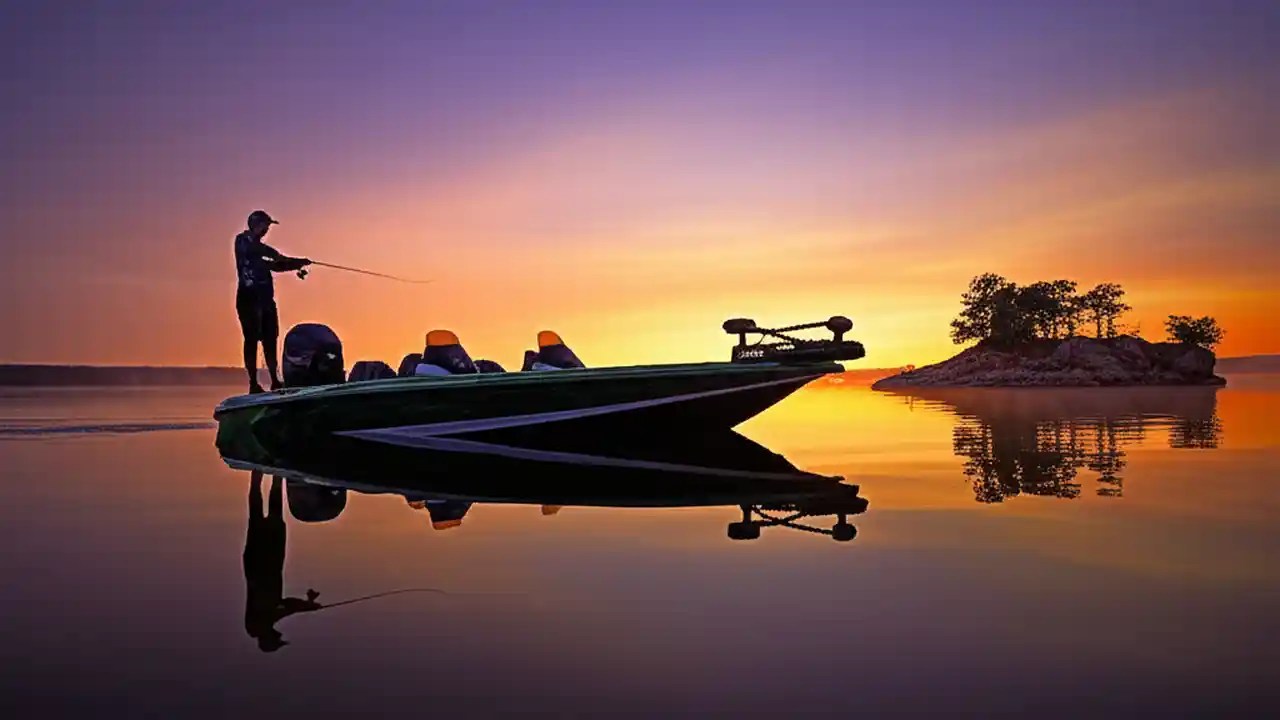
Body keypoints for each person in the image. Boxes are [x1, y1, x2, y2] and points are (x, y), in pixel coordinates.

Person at [243, 471, 323, 652]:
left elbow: (283, 609)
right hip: (271, 560)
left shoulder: (254, 627)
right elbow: (286, 606)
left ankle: (258, 470)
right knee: (274, 513)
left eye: (275, 638)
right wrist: (307, 605)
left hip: (258, 562)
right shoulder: (270, 616)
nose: (278, 634)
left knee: (258, 513)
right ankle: (275, 473)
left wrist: (305, 607)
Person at [234, 210, 311, 393]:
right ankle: (253, 383)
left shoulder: (260, 252)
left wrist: (297, 263)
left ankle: (275, 380)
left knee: (270, 339)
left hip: (266, 299)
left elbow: (275, 265)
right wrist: (278, 255)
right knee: (251, 339)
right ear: (255, 224)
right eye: (265, 225)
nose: (267, 229)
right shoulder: (242, 241)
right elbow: (264, 253)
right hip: (248, 299)